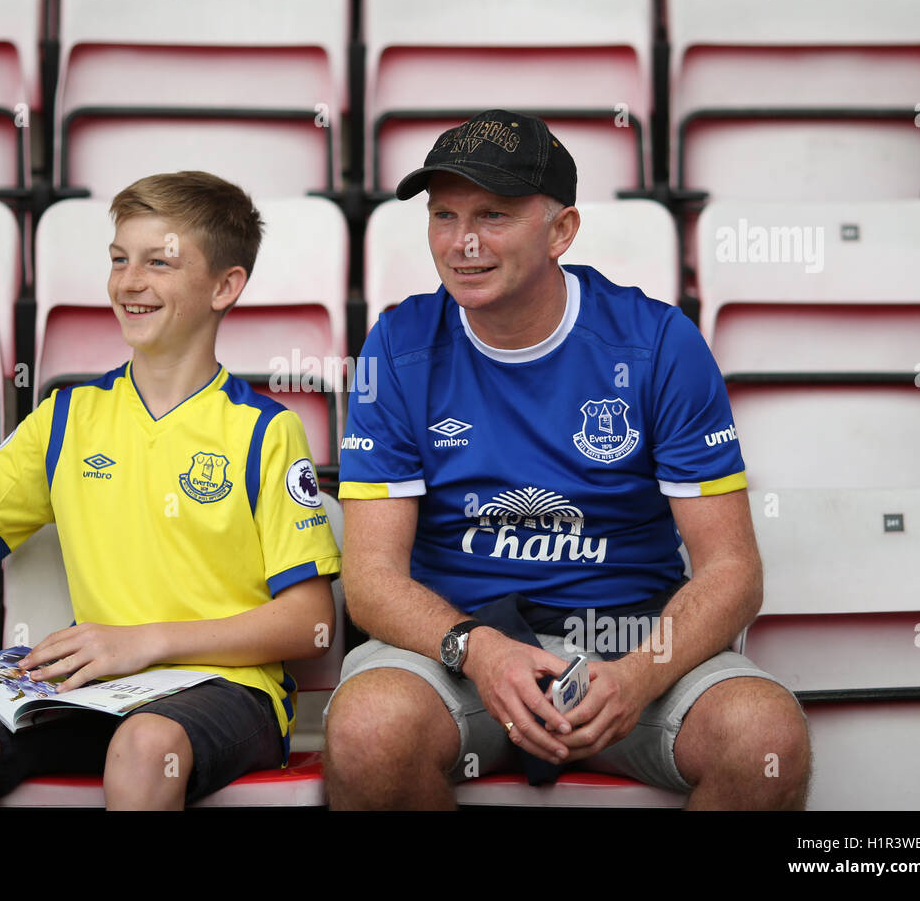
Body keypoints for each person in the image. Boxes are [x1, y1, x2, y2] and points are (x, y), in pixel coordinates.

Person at [323, 110, 810, 810]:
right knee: (369, 730)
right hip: (452, 646)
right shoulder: (397, 347)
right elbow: (369, 581)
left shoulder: (658, 342)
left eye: (493, 215)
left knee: (764, 738)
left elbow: (734, 571)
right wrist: (479, 649)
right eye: (444, 215)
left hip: (628, 641)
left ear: (562, 231)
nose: (462, 243)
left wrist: (638, 675)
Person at [0, 171, 341, 810]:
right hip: (95, 685)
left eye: (159, 262)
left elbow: (311, 623)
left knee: (145, 749)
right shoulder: (68, 418)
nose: (130, 281)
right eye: (120, 260)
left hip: (227, 688)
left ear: (225, 286)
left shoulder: (265, 431)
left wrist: (146, 640)